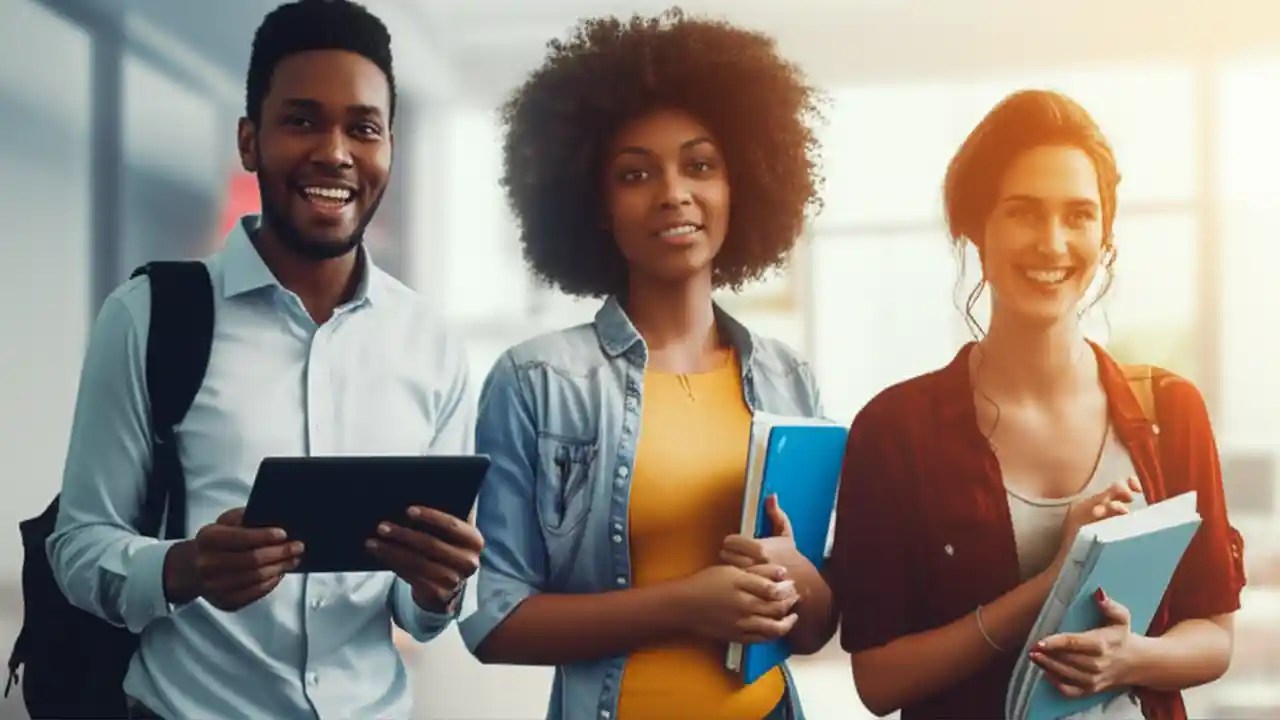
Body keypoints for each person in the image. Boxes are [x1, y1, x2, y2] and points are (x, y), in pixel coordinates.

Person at [46, 1, 483, 717]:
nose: (335, 152)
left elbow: (419, 613)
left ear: (389, 149)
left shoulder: (430, 344)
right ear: (249, 141)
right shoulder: (150, 317)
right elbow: (78, 547)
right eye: (302, 121)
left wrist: (440, 589)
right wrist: (183, 567)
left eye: (363, 128)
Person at [457, 8, 833, 720]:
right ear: (596, 204)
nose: (673, 193)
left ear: (740, 183)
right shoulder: (537, 382)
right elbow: (496, 621)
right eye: (636, 174)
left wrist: (797, 579)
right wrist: (687, 604)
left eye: (700, 165)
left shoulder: (788, 379)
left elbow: (814, 629)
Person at [828, 88, 1247, 720]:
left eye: (1078, 215)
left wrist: (1129, 659)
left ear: (1105, 235)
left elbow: (1214, 634)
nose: (1053, 244)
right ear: (977, 229)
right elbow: (879, 681)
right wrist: (1052, 584)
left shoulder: (1169, 411)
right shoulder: (895, 430)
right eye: (1023, 213)